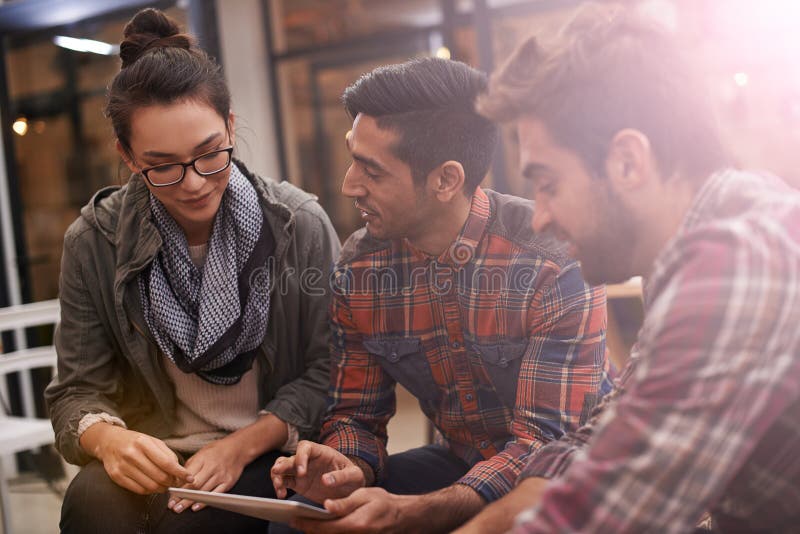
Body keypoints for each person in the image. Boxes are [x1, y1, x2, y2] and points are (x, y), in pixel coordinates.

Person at [457, 5, 800, 533]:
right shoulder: (698, 250)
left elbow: (612, 513)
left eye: (547, 183)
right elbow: (624, 421)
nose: (541, 215)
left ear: (627, 162)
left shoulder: (738, 258)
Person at [269, 57, 613, 534]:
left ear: (446, 180)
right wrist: (346, 466)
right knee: (303, 523)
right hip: (460, 464)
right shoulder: (362, 267)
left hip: (569, 476)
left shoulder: (550, 261)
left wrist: (413, 512)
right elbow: (356, 413)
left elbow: (543, 444)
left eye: (371, 169)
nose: (349, 184)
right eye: (352, 158)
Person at [44, 8, 339, 534]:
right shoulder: (94, 241)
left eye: (209, 154)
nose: (194, 183)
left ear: (229, 125)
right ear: (128, 157)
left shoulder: (298, 225)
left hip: (264, 448)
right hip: (156, 448)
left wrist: (239, 446)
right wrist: (109, 440)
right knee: (91, 504)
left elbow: (329, 372)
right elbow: (75, 392)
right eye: (162, 165)